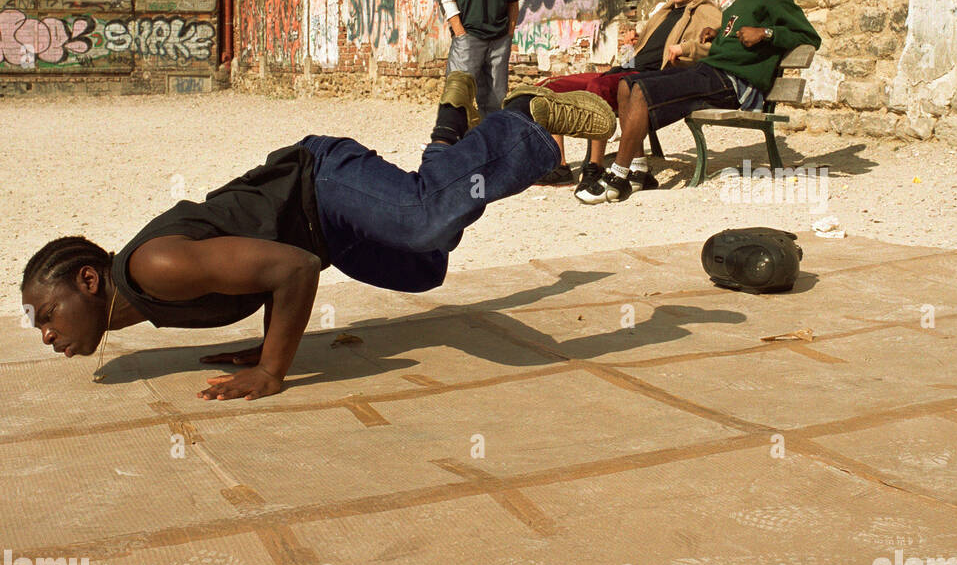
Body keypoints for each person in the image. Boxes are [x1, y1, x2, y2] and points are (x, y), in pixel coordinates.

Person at [20, 75, 613, 403]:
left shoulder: (153, 267)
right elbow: (252, 266)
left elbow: (295, 270)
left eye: (46, 314)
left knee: (420, 218)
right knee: (426, 263)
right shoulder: (130, 305)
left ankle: (521, 117)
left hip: (320, 181)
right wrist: (264, 341)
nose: (46, 333)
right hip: (325, 229)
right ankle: (448, 129)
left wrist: (273, 369)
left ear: (89, 280)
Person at [597, 0, 822, 200]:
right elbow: (735, 31)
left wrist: (766, 32)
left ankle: (616, 175)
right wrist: (715, 33)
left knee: (643, 90)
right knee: (628, 83)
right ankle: (638, 171)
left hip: (732, 82)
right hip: (711, 72)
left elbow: (809, 36)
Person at [534, 0, 721, 201]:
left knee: (597, 89)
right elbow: (650, 42)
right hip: (624, 69)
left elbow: (712, 45)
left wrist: (685, 48)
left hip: (647, 76)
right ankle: (559, 166)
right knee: (551, 86)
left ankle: (595, 167)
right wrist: (636, 38)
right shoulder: (664, 10)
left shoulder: (706, 11)